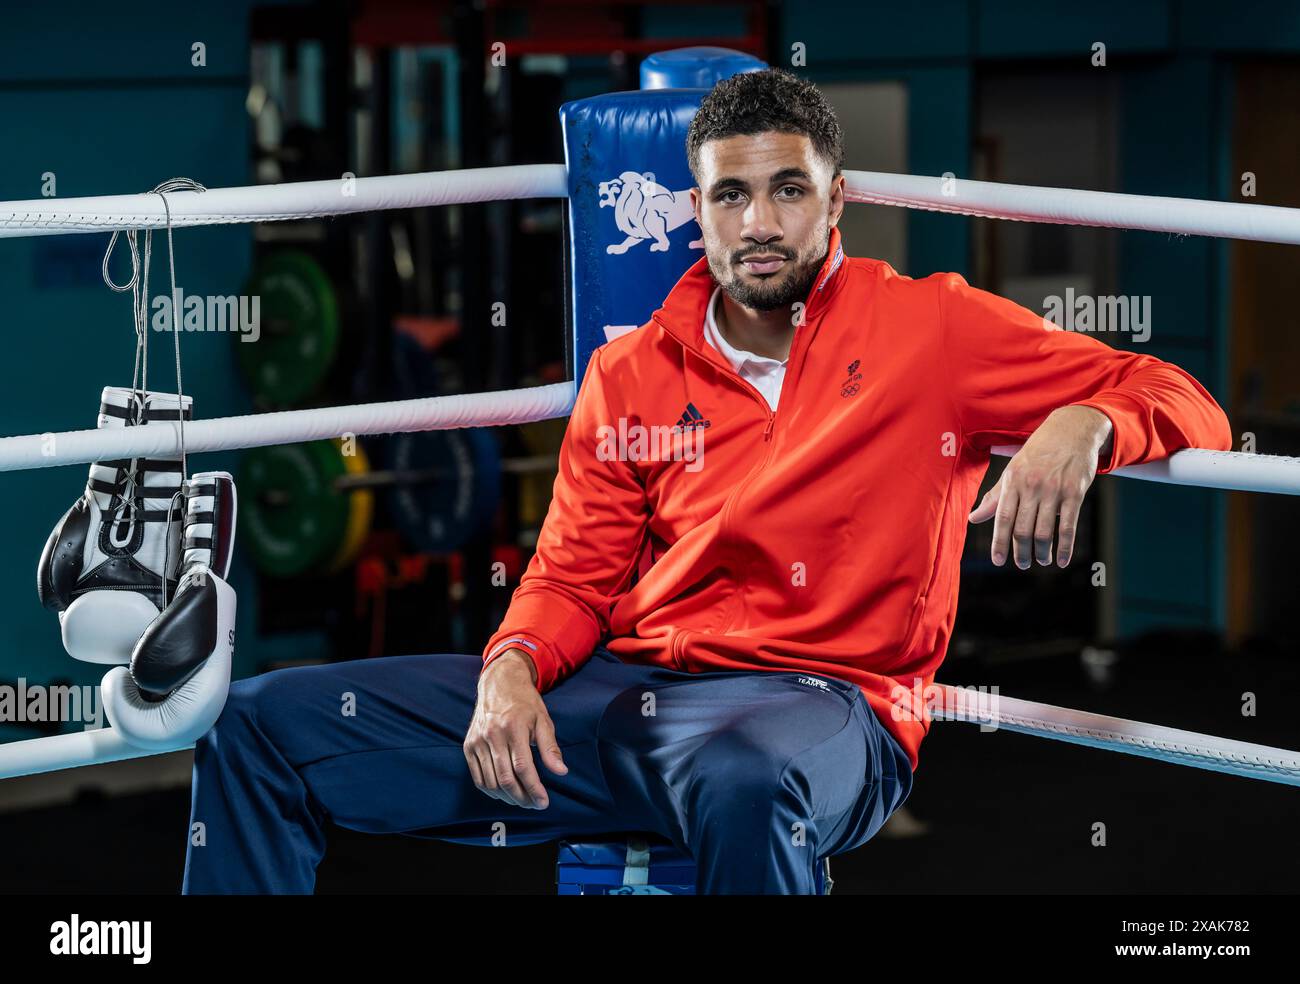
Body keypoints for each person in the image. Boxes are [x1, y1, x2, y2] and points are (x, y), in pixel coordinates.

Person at [182, 69, 1232, 894]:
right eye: (730, 194)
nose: (758, 224)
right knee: (257, 724)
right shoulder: (631, 370)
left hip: (828, 711)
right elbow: (573, 574)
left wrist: (1086, 419)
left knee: (742, 777)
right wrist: (508, 666)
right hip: (623, 705)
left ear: (836, 202)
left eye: (787, 190)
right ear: (698, 206)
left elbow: (1187, 400)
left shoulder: (932, 330)